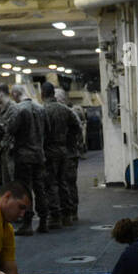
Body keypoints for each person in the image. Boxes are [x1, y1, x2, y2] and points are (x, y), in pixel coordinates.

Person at [5, 83, 48, 235]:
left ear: (15, 94)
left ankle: (27, 223)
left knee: (25, 190)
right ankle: (44, 221)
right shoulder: (41, 108)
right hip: (39, 155)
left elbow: (10, 130)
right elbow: (47, 130)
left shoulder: (18, 109)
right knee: (40, 188)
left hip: (23, 156)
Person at [40, 82, 73, 228]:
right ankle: (67, 215)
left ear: (42, 94)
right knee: (62, 182)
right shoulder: (65, 110)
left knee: (50, 184)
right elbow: (76, 128)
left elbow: (40, 133)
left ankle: (55, 217)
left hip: (49, 151)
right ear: (53, 93)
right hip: (63, 150)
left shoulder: (43, 111)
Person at [56, 87, 85, 225]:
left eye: (58, 99)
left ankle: (73, 211)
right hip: (64, 153)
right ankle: (64, 211)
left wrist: (72, 143)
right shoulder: (61, 113)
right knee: (61, 184)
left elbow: (78, 131)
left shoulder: (70, 113)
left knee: (69, 183)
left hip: (69, 154)